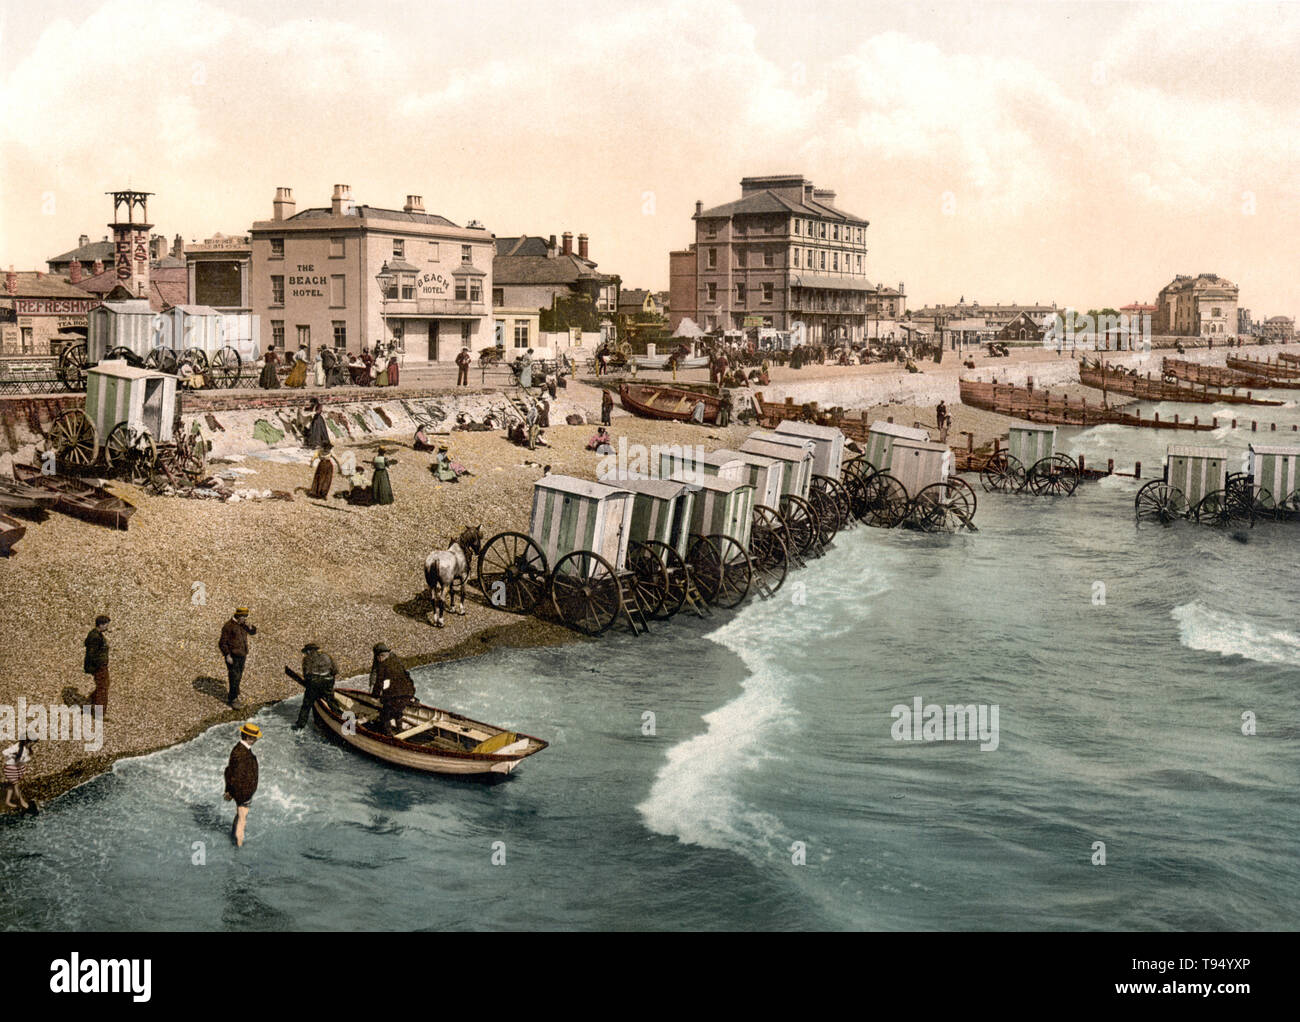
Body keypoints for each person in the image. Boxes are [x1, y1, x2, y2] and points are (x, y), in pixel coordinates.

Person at [223, 722, 260, 846]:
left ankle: (234, 838)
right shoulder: (241, 753)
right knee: (242, 817)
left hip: (241, 791)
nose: (256, 740)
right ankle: (238, 845)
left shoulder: (238, 749)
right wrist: (232, 792)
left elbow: (229, 771)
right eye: (255, 738)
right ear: (250, 738)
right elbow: (234, 775)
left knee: (240, 815)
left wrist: (228, 790)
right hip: (243, 792)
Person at [368, 643, 415, 736]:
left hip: (395, 695)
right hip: (407, 693)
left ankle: (388, 735)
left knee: (385, 716)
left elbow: (380, 683)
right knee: (398, 712)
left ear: (380, 656)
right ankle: (400, 730)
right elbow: (407, 676)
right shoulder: (396, 660)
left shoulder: (383, 666)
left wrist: (375, 695)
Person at [218, 608, 257, 710]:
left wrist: (251, 627)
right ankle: (233, 699)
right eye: (243, 617)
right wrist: (227, 655)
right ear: (238, 616)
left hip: (242, 654)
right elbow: (222, 643)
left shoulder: (243, 625)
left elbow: (253, 632)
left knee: (239, 674)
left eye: (245, 617)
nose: (245, 619)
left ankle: (235, 691)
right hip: (233, 656)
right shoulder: (228, 626)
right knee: (234, 676)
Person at [294, 643, 337, 730]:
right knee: (331, 701)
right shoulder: (327, 656)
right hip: (328, 681)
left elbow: (306, 675)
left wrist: (310, 684)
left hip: (314, 683)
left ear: (309, 651)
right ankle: (338, 717)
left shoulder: (307, 659)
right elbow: (335, 671)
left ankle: (300, 725)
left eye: (306, 652)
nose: (306, 654)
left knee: (306, 705)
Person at [83, 614, 111, 714]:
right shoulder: (95, 636)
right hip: (99, 667)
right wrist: (98, 666)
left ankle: (88, 704)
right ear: (101, 624)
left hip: (100, 666)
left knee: (102, 686)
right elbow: (92, 654)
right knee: (102, 688)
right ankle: (99, 714)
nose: (107, 627)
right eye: (106, 625)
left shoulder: (96, 634)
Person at [3, 738, 38, 815]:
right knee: (16, 786)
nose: (33, 745)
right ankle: (23, 804)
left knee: (11, 785)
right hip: (11, 768)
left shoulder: (24, 748)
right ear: (28, 741)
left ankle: (8, 802)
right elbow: (4, 752)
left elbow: (22, 760)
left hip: (14, 767)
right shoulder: (18, 747)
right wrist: (13, 755)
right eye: (33, 743)